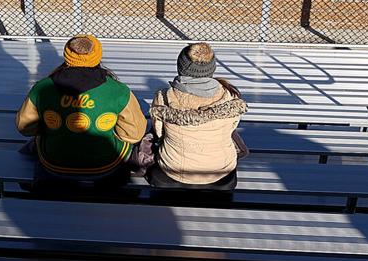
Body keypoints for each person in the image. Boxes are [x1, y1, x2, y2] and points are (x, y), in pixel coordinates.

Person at [14, 35, 146, 192]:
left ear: (67, 55)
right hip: (106, 165)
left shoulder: (42, 88)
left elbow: (25, 128)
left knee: (34, 146)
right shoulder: (119, 90)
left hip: (54, 164)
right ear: (97, 55)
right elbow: (134, 135)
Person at [147, 43, 248, 192]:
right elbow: (231, 129)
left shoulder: (163, 97)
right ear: (211, 68)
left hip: (173, 170)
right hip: (221, 171)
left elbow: (159, 133)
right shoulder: (230, 97)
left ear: (180, 67)